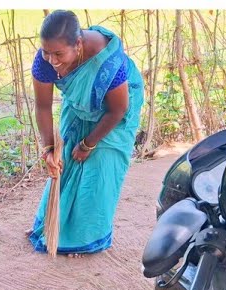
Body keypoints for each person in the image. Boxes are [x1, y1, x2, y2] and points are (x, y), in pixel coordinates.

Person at [27, 10, 145, 254]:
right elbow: (42, 106)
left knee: (99, 169)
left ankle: (88, 237)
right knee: (65, 161)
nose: (52, 60)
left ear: (78, 44)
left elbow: (118, 109)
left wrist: (88, 143)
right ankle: (52, 228)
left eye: (58, 54)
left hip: (116, 110)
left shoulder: (109, 63)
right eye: (46, 52)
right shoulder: (46, 62)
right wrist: (49, 148)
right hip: (81, 104)